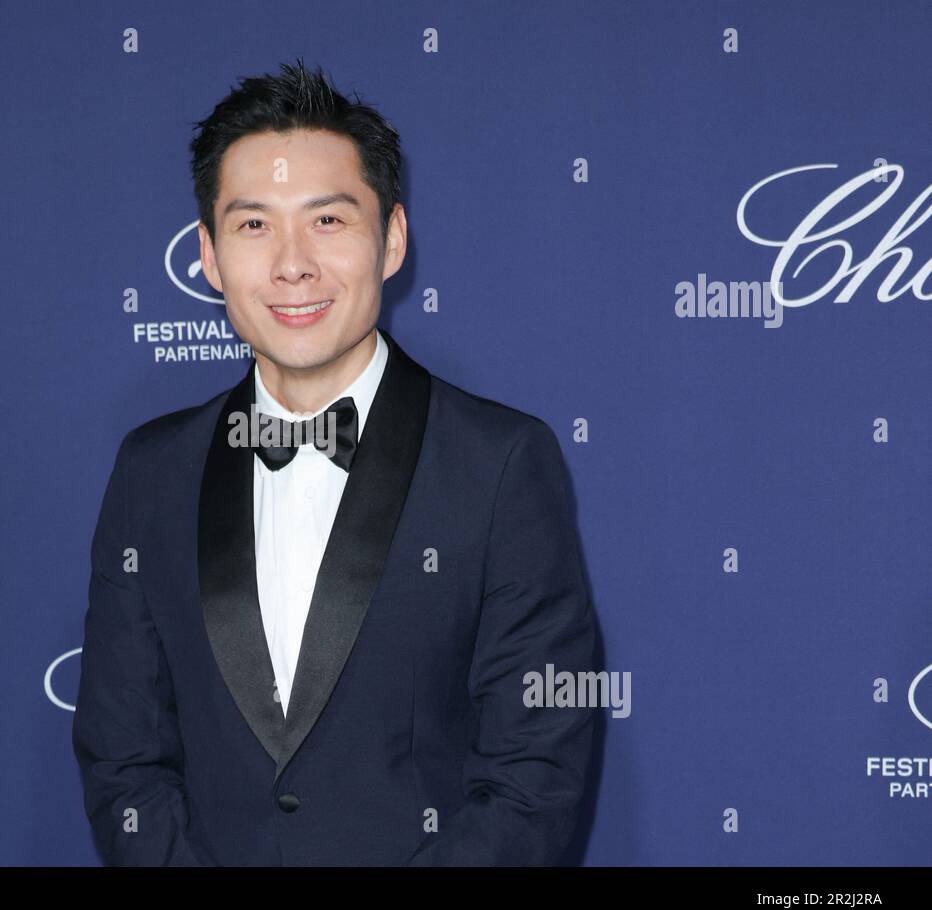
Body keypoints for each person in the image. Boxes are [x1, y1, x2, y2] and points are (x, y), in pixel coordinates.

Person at [72, 58, 599, 866]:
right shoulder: (152, 472)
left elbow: (534, 775)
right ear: (209, 256)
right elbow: (124, 758)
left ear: (391, 239)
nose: (292, 264)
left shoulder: (500, 465)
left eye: (327, 220)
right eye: (254, 225)